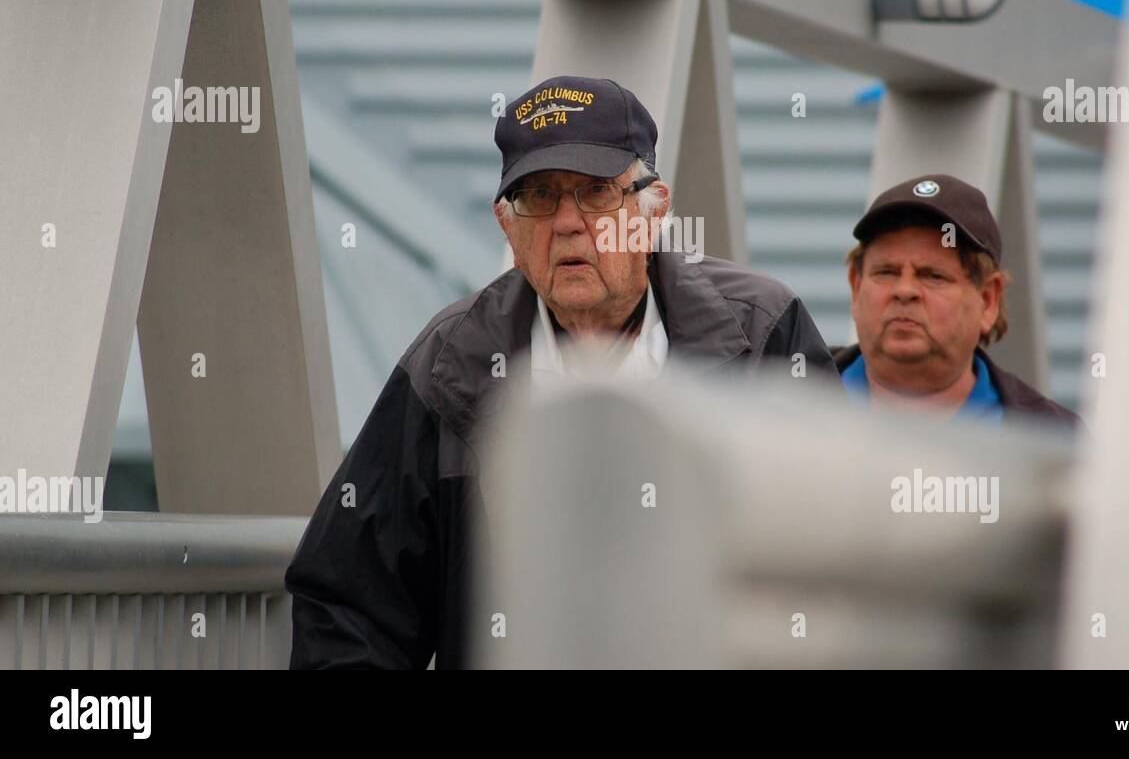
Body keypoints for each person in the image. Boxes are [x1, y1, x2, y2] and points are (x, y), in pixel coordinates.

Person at [285, 74, 836, 668]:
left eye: (597, 192)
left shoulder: (762, 336)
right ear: (509, 228)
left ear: (652, 212)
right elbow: (346, 605)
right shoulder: (450, 365)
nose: (568, 222)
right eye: (540, 196)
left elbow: (842, 564)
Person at [835, 173, 1081, 430]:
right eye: (886, 272)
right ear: (856, 286)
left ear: (988, 300)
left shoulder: (1053, 442)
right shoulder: (794, 397)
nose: (905, 290)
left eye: (933, 276)